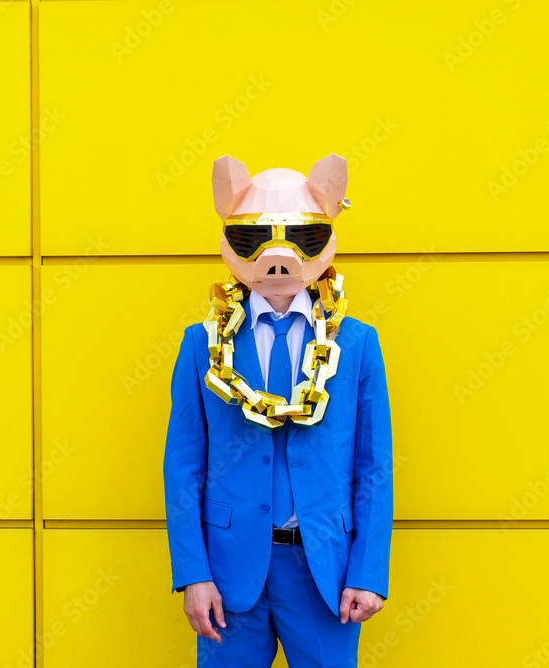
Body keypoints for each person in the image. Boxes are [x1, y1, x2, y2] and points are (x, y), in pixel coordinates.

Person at [163, 153, 394, 668]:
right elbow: (183, 465)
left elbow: (373, 466)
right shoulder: (202, 345)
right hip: (228, 571)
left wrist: (368, 572)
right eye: (255, 240)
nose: (277, 258)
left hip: (325, 570)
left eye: (299, 239)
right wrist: (193, 573)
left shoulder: (356, 344)